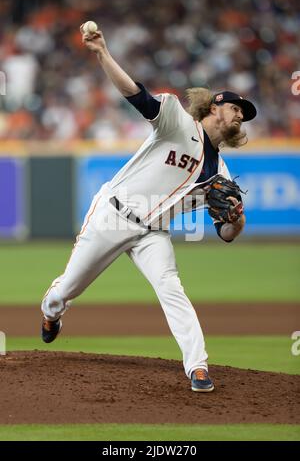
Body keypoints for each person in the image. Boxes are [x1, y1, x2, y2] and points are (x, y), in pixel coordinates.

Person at [41, 24, 257, 393]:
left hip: (152, 233)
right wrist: (102, 53)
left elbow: (226, 234)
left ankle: (198, 367)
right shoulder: (177, 121)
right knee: (66, 291)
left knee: (171, 286)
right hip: (113, 214)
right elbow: (135, 95)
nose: (240, 116)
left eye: (244, 114)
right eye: (236, 108)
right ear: (215, 106)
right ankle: (51, 312)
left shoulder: (220, 173)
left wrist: (236, 218)